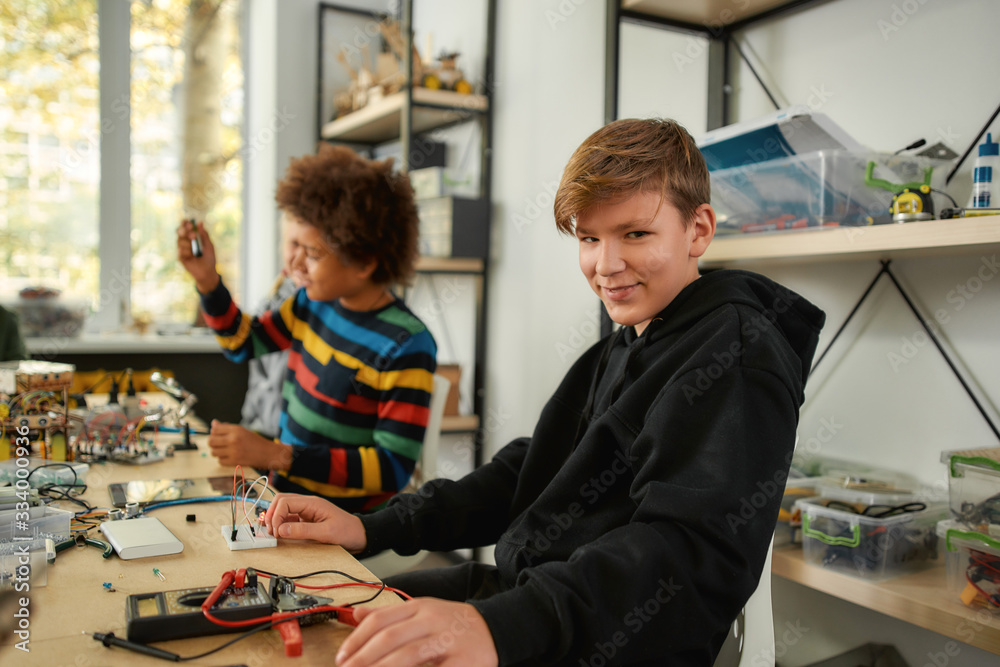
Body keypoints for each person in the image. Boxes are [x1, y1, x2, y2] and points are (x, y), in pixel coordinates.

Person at [264, 118, 826, 665]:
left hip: (599, 638)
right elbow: (532, 469)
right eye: (589, 238)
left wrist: (498, 627)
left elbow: (683, 555)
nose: (606, 265)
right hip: (536, 600)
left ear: (698, 230)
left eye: (635, 233)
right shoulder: (629, 339)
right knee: (328, 614)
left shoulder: (735, 356)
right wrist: (372, 526)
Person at [178, 144, 437, 512]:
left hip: (345, 525)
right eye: (293, 244)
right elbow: (243, 343)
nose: (294, 264)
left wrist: (277, 455)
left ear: (363, 261)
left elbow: (391, 468)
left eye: (312, 253)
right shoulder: (311, 303)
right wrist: (207, 281)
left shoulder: (406, 345)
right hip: (282, 501)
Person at [239, 217, 302, 439]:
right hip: (258, 429)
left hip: (284, 442)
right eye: (293, 244)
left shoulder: (312, 306)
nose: (299, 258)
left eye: (311, 248)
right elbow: (245, 346)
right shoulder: (276, 296)